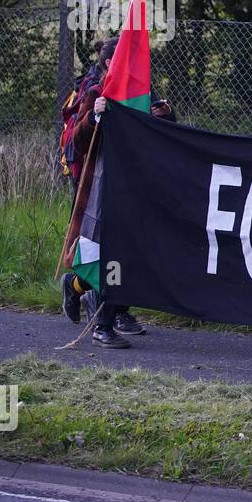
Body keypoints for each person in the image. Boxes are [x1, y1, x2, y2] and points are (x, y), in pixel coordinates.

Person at [58, 37, 173, 347]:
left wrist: (166, 114)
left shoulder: (140, 96)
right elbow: (78, 143)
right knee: (106, 254)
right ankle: (100, 319)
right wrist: (95, 114)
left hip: (137, 188)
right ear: (111, 63)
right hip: (102, 188)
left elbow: (160, 136)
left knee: (133, 253)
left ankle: (102, 303)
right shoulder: (96, 93)